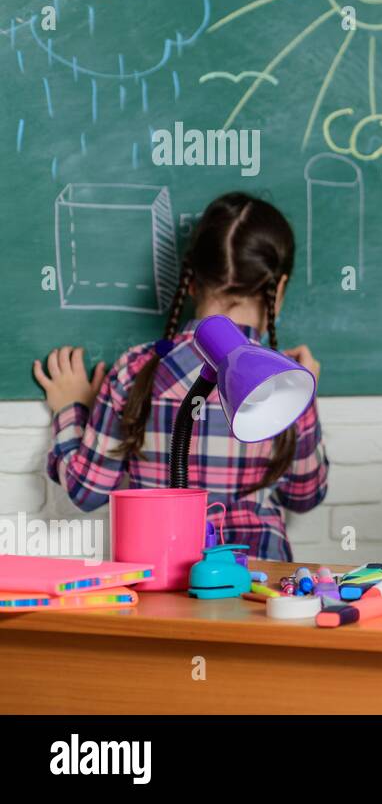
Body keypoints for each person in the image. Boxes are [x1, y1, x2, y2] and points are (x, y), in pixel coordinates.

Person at [38, 192, 329, 561]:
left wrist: (70, 409)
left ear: (191, 280)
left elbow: (87, 491)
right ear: (279, 288)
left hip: (160, 580)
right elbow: (305, 495)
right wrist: (308, 395)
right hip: (259, 593)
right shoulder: (286, 381)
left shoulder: (136, 368)